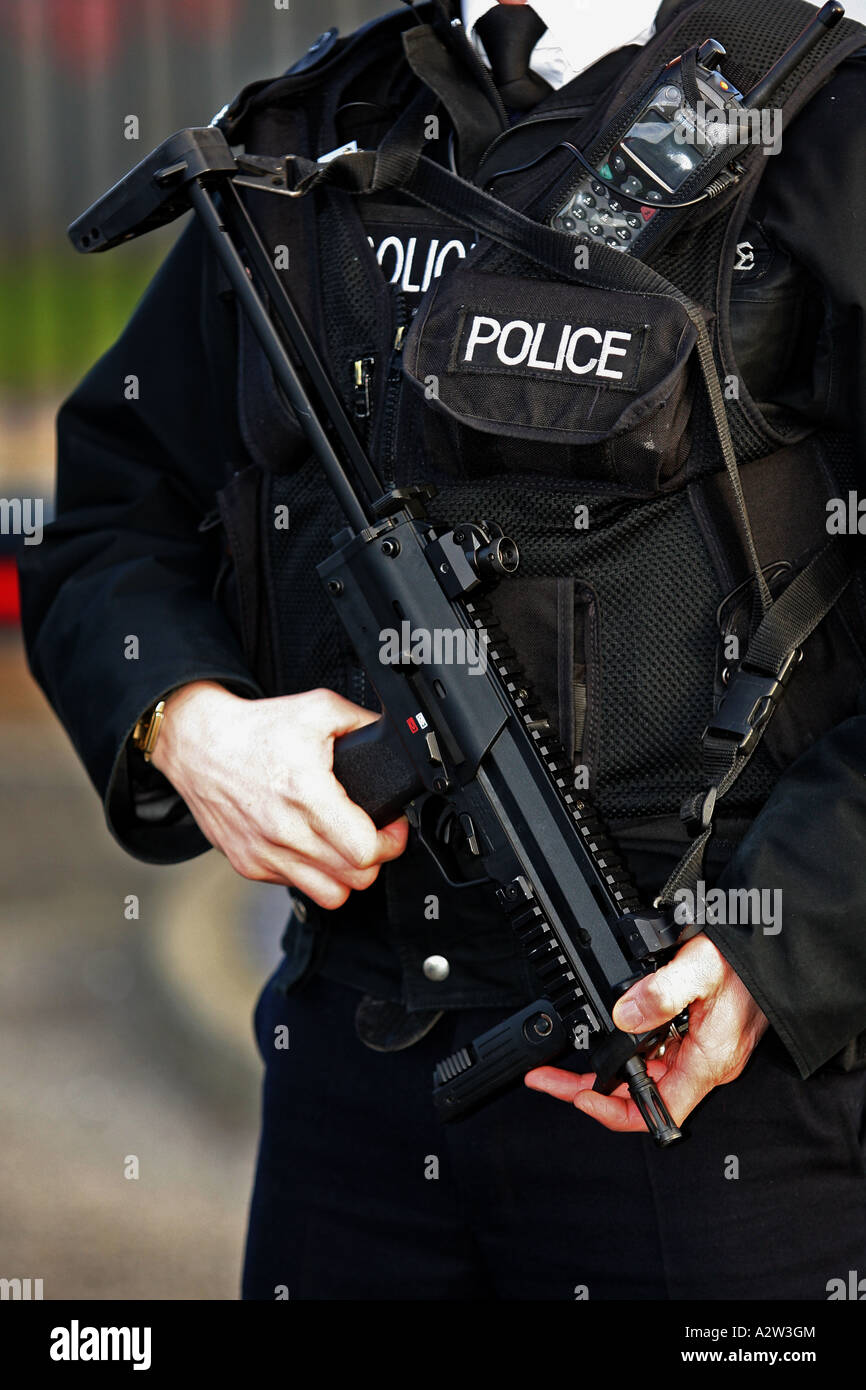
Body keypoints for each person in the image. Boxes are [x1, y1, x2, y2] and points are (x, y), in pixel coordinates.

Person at [19, 0, 866, 1300]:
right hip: (356, 1075)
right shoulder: (328, 124)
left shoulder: (824, 123)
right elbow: (112, 510)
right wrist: (184, 721)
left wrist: (784, 942)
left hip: (722, 1102)